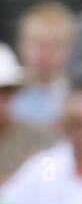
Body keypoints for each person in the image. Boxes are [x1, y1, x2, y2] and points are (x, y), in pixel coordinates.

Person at [10, 1, 75, 125]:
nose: (47, 53)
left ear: (69, 50)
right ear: (21, 46)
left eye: (56, 45)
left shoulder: (79, 97)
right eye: (39, 44)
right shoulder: (6, 95)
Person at [0, 43, 56, 185]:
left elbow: (51, 180)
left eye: (5, 91)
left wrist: (37, 169)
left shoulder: (40, 138)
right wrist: (24, 175)